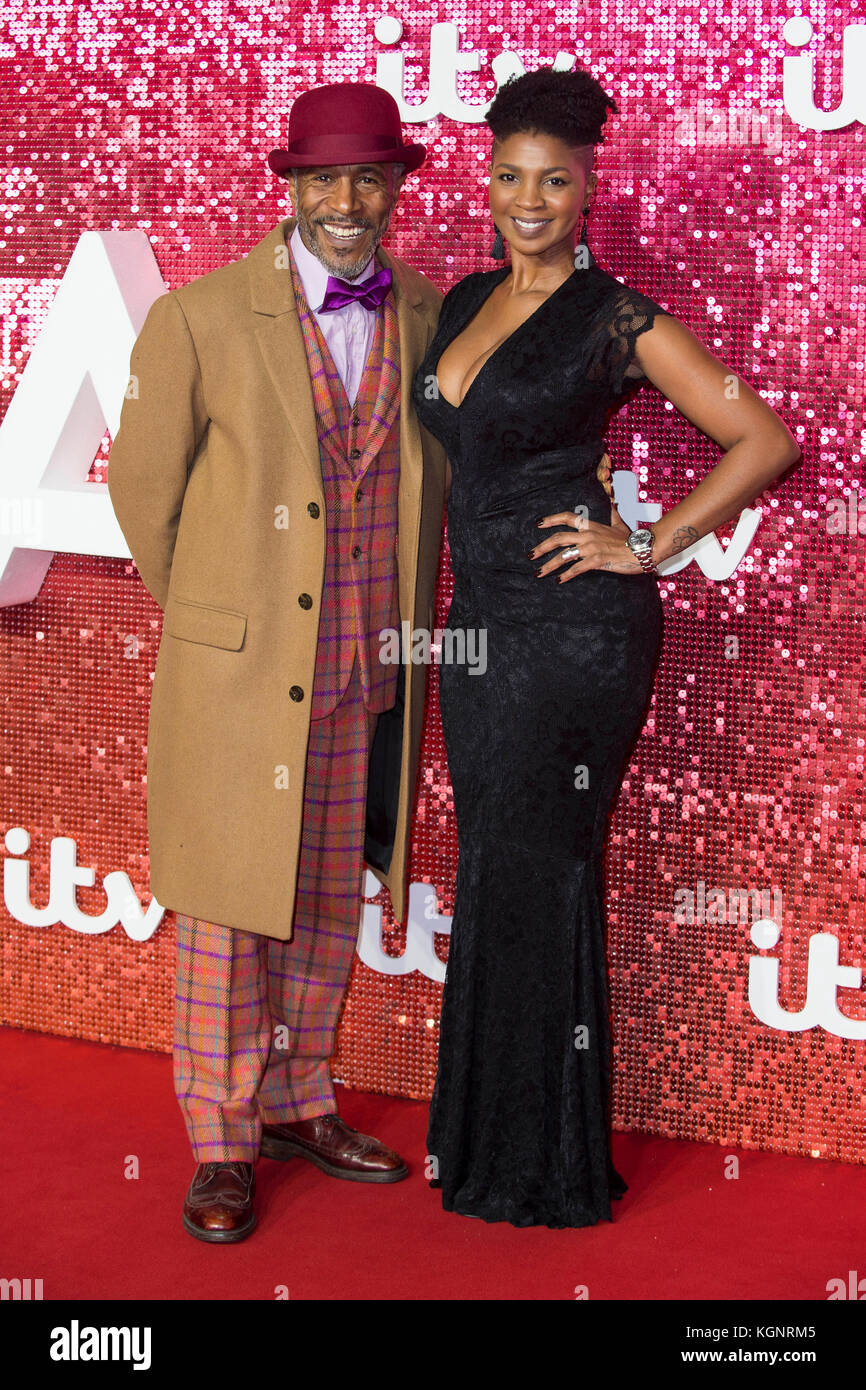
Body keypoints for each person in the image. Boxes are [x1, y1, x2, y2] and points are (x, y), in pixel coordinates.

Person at [411, 66, 800, 1228]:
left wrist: (652, 542)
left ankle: (542, 1165)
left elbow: (758, 436)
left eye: (555, 181)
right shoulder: (466, 295)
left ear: (587, 190)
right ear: (487, 180)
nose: (529, 199)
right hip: (474, 629)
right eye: (510, 177)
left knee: (539, 867)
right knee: (496, 865)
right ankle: (484, 1144)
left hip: (570, 632)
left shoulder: (612, 315)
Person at [108, 82, 448, 1242]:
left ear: (394, 190)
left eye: (367, 180)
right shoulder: (199, 319)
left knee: (314, 909)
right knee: (222, 913)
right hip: (241, 679)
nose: (346, 202)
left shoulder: (427, 310)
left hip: (364, 672)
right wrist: (225, 624)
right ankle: (219, 1139)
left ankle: (299, 1103)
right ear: (289, 189)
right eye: (322, 181)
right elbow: (142, 499)